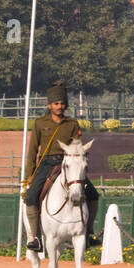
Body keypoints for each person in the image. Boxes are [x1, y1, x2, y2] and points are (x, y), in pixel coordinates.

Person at [24, 82, 99, 250]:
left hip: (68, 164)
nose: (60, 106)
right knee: (31, 197)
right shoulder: (39, 123)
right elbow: (32, 150)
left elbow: (78, 147)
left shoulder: (72, 124)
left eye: (62, 103)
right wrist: (30, 173)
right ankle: (35, 238)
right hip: (47, 164)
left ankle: (89, 233)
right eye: (56, 103)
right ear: (49, 105)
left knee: (93, 195)